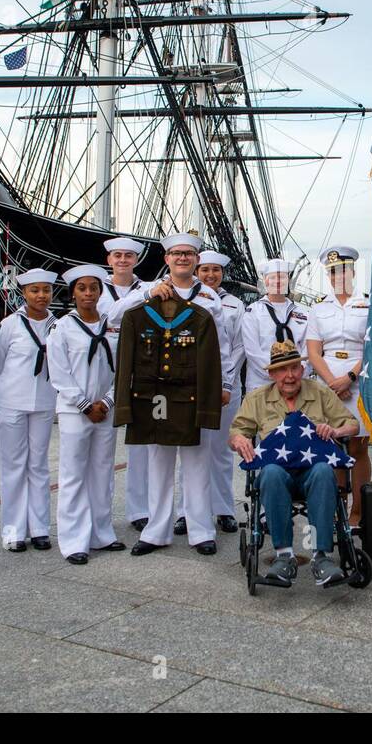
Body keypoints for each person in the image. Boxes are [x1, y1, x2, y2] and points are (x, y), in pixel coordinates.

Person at [114, 232, 224, 556]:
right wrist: (147, 292)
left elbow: (224, 350)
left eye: (188, 254)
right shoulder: (145, 294)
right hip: (154, 396)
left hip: (191, 393)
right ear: (166, 259)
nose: (182, 259)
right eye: (176, 253)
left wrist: (223, 388)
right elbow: (115, 318)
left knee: (197, 463)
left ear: (196, 259)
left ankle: (200, 529)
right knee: (158, 464)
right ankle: (156, 530)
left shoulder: (211, 301)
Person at [229, 340, 359, 588]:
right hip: (278, 475)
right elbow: (237, 431)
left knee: (322, 471)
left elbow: (353, 425)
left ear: (302, 369)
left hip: (312, 473)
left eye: (294, 368)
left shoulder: (319, 393)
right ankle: (284, 555)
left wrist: (333, 430)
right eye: (281, 369)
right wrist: (239, 440)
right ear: (271, 373)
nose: (289, 375)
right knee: (270, 473)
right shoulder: (258, 398)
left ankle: (320, 556)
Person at [49, 264, 124, 564]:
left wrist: (106, 401)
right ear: (73, 294)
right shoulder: (62, 328)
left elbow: (121, 370)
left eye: (94, 287)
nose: (89, 293)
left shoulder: (113, 326)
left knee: (103, 472)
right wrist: (83, 404)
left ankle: (101, 533)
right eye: (82, 288)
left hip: (105, 409)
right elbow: (59, 372)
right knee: (73, 474)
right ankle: (73, 540)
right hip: (74, 411)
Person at [0, 267, 58, 552]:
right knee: (14, 465)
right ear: (24, 294)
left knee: (38, 465)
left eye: (45, 290)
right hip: (11, 402)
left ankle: (40, 527)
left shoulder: (59, 325)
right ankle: (14, 529)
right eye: (35, 290)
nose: (41, 296)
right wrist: (6, 394)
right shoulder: (9, 326)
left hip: (44, 401)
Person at [305, 245, 371, 526]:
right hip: (327, 380)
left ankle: (359, 509)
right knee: (331, 446)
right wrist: (332, 382)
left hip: (360, 379)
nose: (338, 276)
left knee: (358, 448)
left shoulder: (370, 303)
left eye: (343, 270)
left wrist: (350, 378)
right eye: (333, 272)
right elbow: (313, 352)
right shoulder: (319, 307)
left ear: (353, 272)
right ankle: (337, 507)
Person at [99, 236, 153, 532]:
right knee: (103, 449)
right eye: (117, 255)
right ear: (109, 260)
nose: (122, 260)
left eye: (128, 256)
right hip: (103, 371)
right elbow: (107, 315)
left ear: (136, 260)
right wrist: (144, 299)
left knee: (140, 446)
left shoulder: (146, 287)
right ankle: (101, 513)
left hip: (139, 368)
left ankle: (139, 510)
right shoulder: (97, 287)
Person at [190, 249, 245, 532]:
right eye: (205, 270)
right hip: (192, 384)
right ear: (197, 272)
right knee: (190, 449)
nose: (210, 275)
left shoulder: (235, 305)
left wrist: (226, 379)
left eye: (215, 270)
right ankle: (187, 511)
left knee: (222, 450)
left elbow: (238, 346)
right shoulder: (188, 297)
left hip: (227, 386)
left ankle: (223, 509)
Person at [240, 258, 308, 396]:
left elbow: (308, 349)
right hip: (261, 383)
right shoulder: (253, 312)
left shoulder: (302, 314)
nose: (278, 281)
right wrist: (278, 374)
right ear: (265, 281)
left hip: (296, 383)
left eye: (282, 277)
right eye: (273, 277)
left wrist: (296, 374)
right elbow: (252, 351)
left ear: (288, 280)